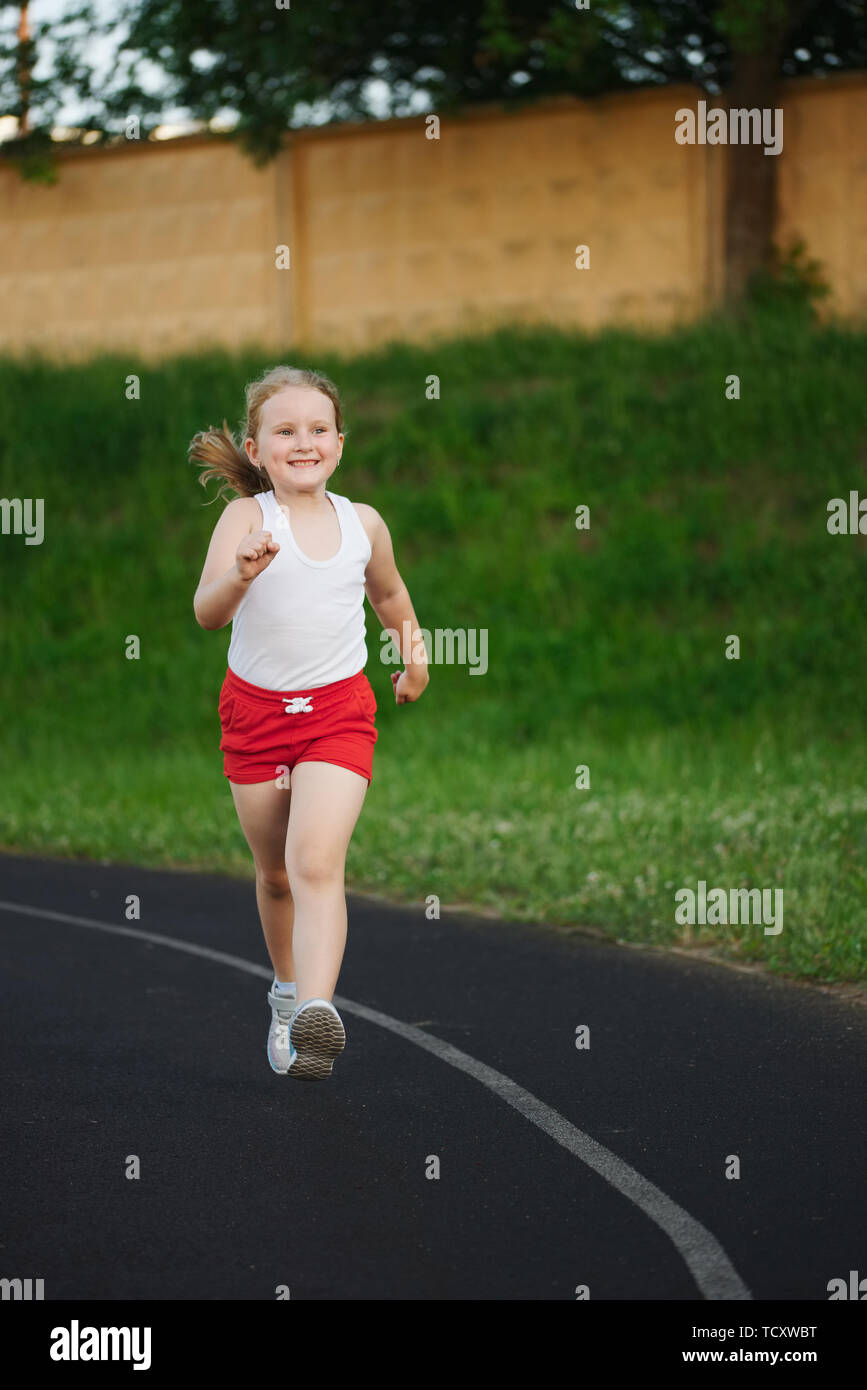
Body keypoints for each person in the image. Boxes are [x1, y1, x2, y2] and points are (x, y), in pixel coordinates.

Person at [190, 365, 429, 1079]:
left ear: (339, 443)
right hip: (255, 716)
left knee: (316, 863)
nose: (304, 441)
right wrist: (240, 573)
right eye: (285, 430)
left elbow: (389, 596)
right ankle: (288, 993)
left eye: (317, 429)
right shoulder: (245, 520)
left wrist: (413, 659)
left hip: (337, 714)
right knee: (274, 878)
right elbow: (207, 613)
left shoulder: (363, 523)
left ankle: (318, 1015)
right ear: (258, 450)